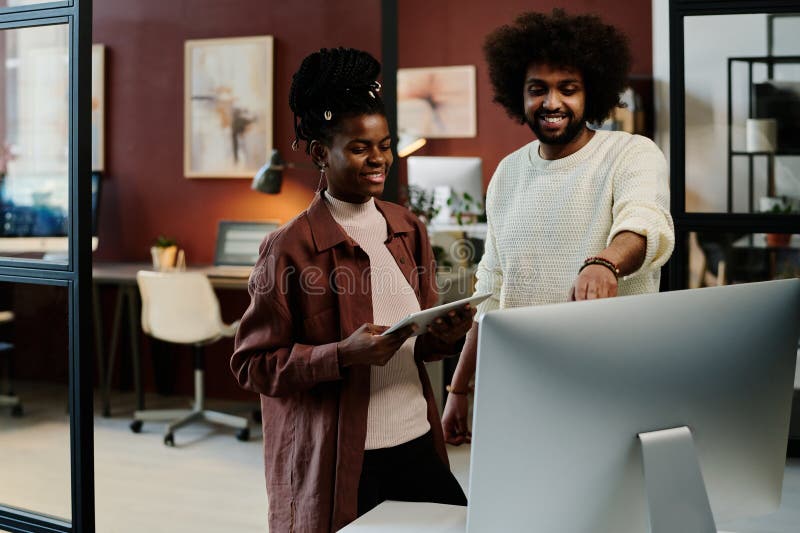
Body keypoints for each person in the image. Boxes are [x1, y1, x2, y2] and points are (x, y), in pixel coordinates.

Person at [231, 47, 471, 533]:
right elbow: (252, 366)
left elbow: (415, 343)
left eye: (385, 145)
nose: (379, 159)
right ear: (321, 153)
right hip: (345, 460)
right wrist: (342, 355)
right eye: (361, 148)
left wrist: (446, 332)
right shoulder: (289, 248)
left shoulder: (408, 228)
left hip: (417, 443)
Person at [442, 10, 675, 445]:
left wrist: (604, 264)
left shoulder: (630, 153)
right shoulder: (508, 174)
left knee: (611, 511)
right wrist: (458, 387)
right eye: (538, 90)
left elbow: (645, 222)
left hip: (610, 387)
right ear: (519, 95)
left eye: (568, 89)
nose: (552, 103)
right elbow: (490, 290)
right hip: (518, 388)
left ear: (592, 93)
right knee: (516, 510)